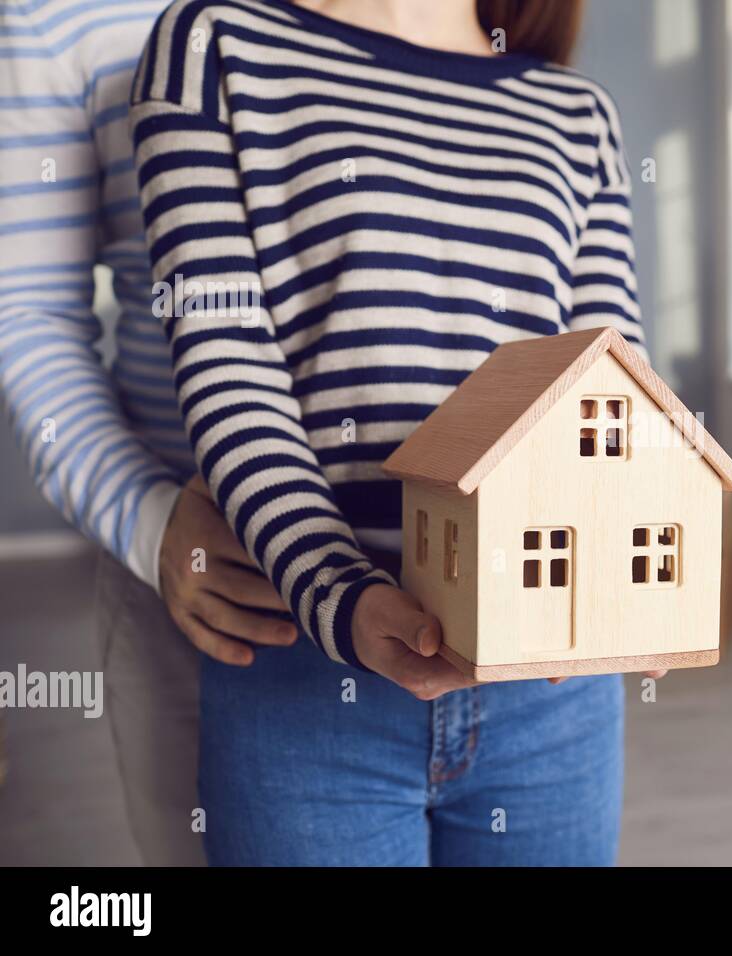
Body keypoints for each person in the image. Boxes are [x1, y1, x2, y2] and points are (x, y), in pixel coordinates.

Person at [129, 0, 651, 865]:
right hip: (306, 668)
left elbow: (606, 386)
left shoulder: (579, 114)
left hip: (552, 697)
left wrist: (623, 592)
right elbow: (229, 370)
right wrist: (344, 597)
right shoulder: (213, 49)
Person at [0, 0, 304, 866]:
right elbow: (30, 314)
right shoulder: (52, 17)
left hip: (430, 563)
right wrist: (152, 522)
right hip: (207, 589)